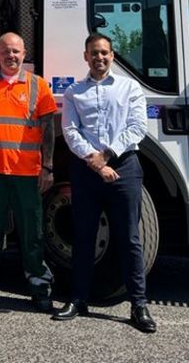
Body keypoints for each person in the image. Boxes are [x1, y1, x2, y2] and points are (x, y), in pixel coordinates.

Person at [53, 33, 157, 333]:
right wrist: (94, 161)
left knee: (129, 239)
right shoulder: (74, 92)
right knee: (83, 237)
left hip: (124, 168)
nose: (99, 58)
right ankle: (78, 299)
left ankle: (139, 305)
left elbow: (137, 127)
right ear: (85, 57)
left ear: (112, 56)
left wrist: (107, 156)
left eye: (104, 53)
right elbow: (71, 132)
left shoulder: (129, 87)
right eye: (93, 53)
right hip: (86, 170)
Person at [0, 32, 57, 311]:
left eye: (16, 51)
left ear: (24, 54)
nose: (11, 56)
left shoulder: (38, 85)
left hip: (27, 173)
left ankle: (38, 284)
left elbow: (48, 130)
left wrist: (48, 167)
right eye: (6, 51)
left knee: (31, 231)